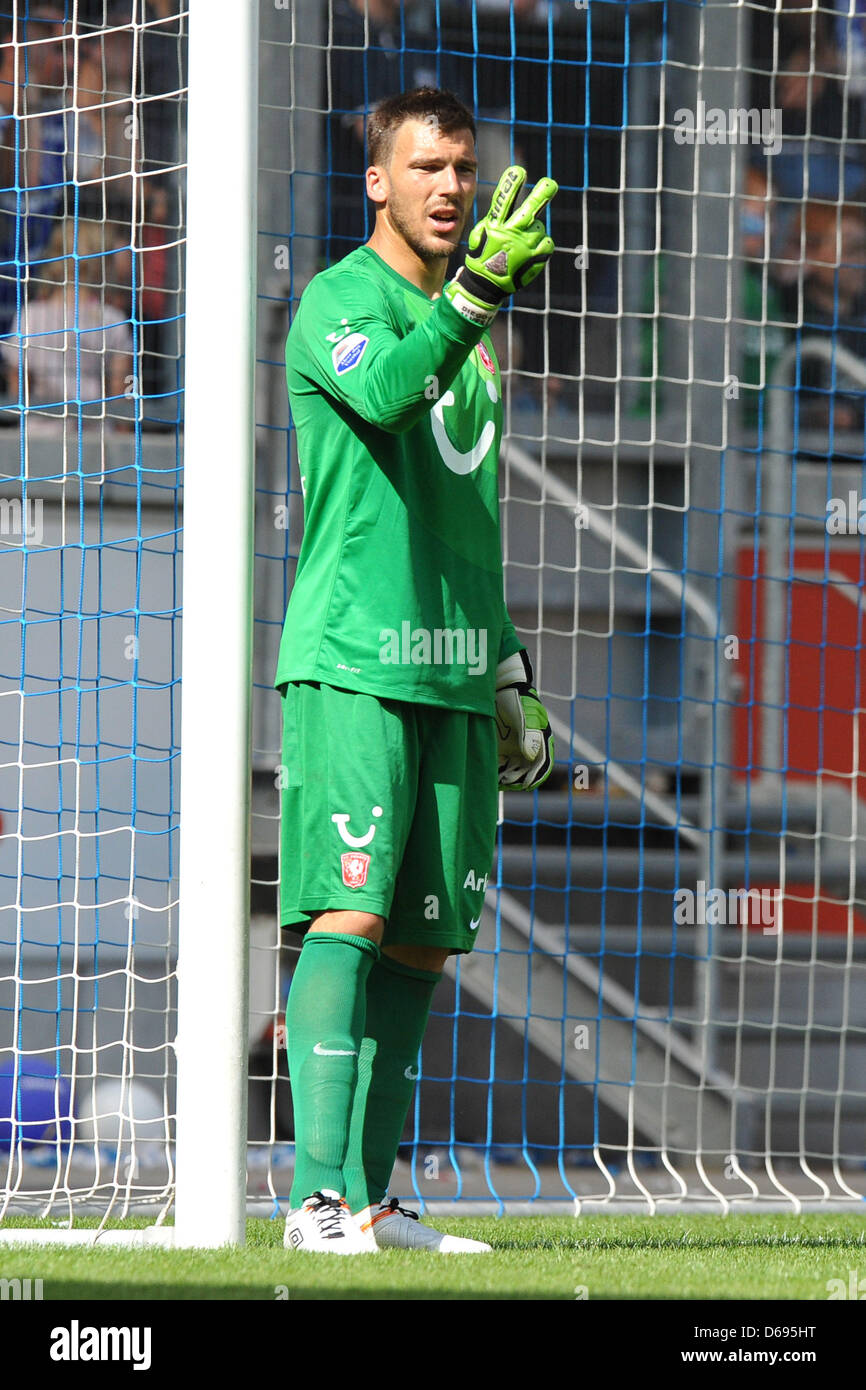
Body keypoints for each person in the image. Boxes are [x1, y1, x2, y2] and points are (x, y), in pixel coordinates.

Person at [275, 87, 557, 1253]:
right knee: (346, 912)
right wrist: (476, 299)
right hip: (353, 658)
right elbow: (389, 395)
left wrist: (503, 671)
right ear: (377, 180)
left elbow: (468, 523)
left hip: (447, 678)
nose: (449, 186)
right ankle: (313, 1200)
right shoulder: (336, 301)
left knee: (423, 942)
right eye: (424, 166)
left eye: (461, 167)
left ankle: (376, 1199)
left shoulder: (476, 343)